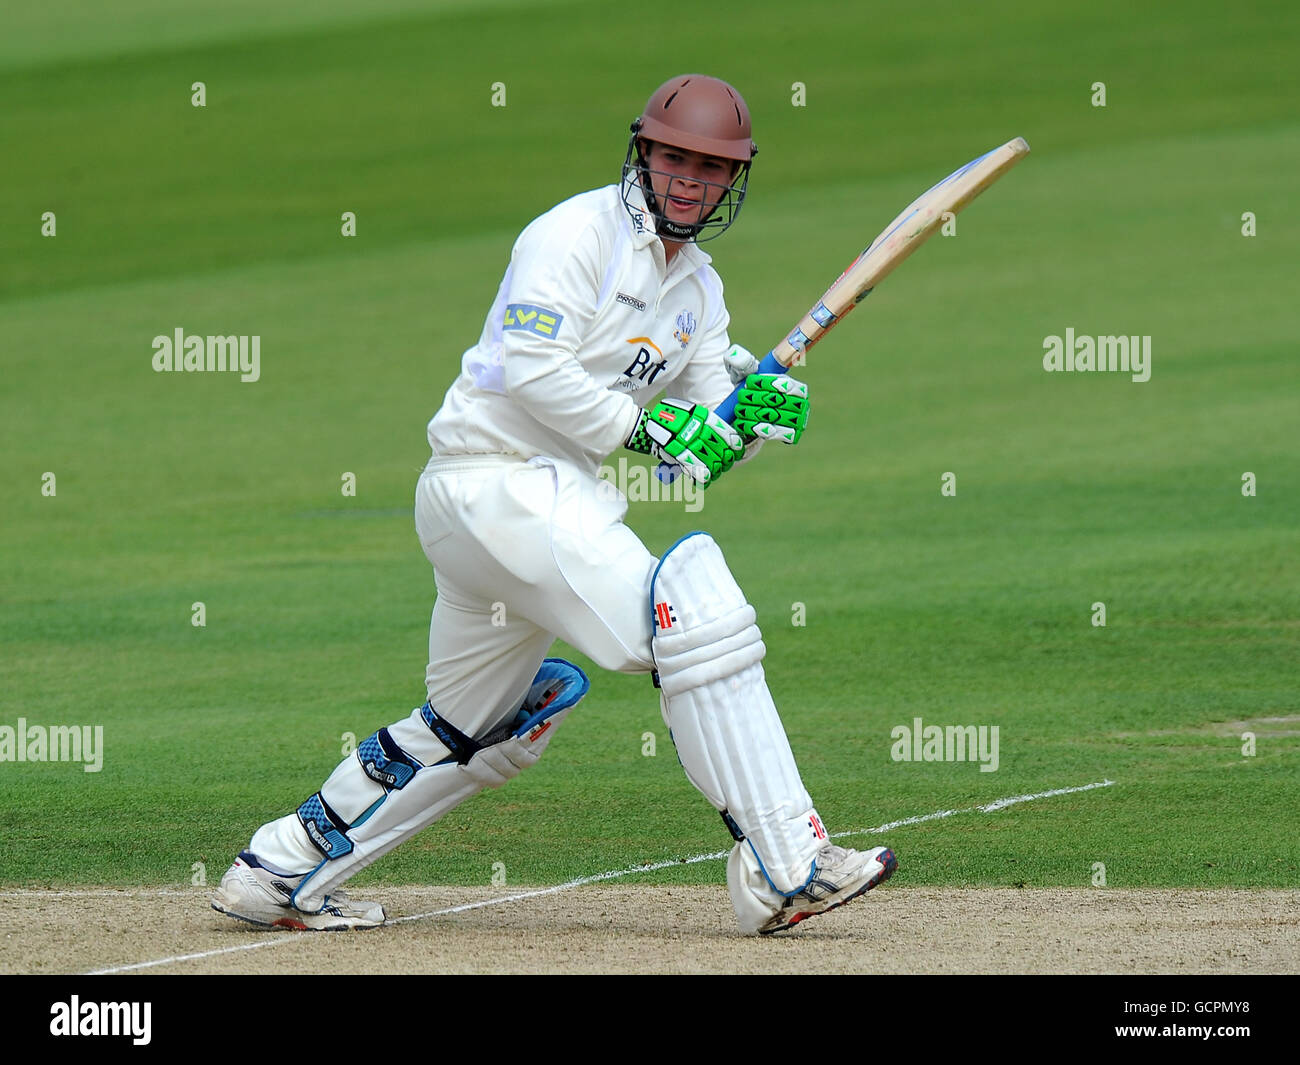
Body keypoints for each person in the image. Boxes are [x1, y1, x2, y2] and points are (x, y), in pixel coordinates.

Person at [211, 73, 897, 936]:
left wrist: (749, 416)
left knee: (479, 725)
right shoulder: (574, 235)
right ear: (643, 154)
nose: (690, 179)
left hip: (528, 512)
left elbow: (698, 450)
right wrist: (647, 430)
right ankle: (787, 861)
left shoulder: (700, 292)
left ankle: (279, 866)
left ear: (734, 180)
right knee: (694, 611)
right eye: (674, 157)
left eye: (712, 167)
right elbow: (536, 372)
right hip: (493, 480)